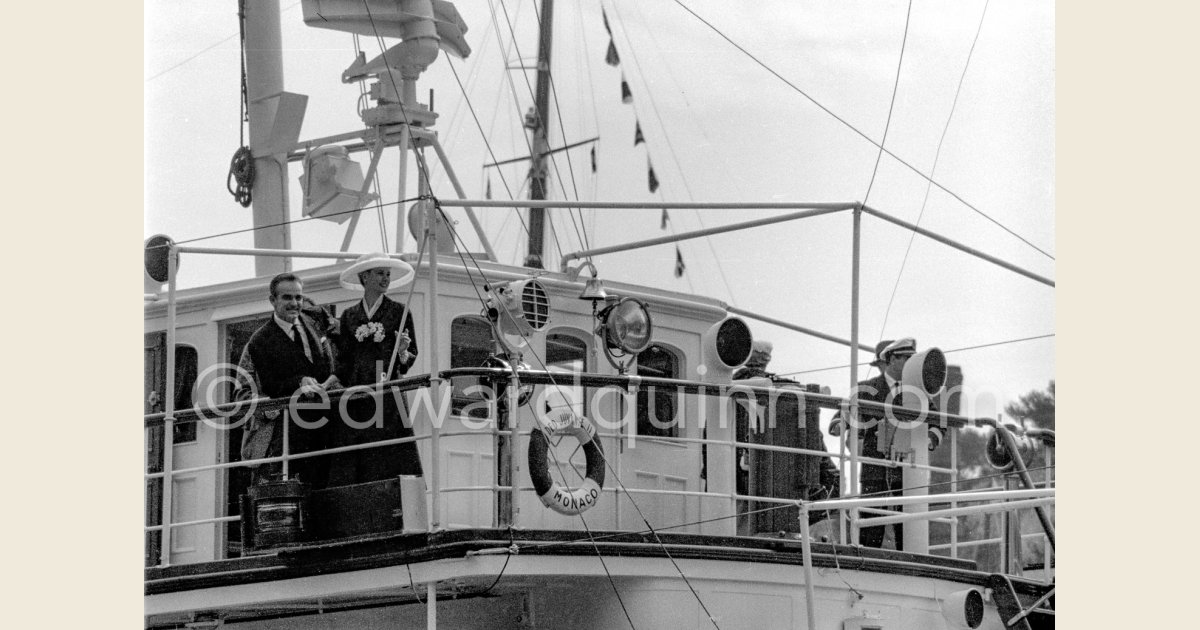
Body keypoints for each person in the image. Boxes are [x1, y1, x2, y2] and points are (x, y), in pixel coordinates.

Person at [829, 337, 944, 549]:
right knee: (870, 530)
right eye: (906, 358)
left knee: (907, 533)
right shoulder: (868, 388)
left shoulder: (919, 392)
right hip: (875, 471)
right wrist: (840, 426)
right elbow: (841, 415)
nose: (910, 364)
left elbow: (939, 423)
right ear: (891, 359)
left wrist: (927, 442)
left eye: (912, 359)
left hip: (907, 474)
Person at [236, 273, 340, 487]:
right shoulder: (258, 342)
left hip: (325, 429)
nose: (294, 303)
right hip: (284, 436)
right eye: (287, 298)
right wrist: (269, 405)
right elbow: (243, 391)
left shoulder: (314, 327)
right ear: (272, 300)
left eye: (298, 298)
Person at [330, 252, 424, 484]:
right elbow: (344, 358)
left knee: (390, 448)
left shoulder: (400, 312)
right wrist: (333, 379)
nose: (385, 279)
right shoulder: (350, 315)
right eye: (380, 274)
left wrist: (403, 350)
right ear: (365, 277)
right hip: (357, 390)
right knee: (358, 449)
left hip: (387, 385)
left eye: (388, 274)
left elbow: (410, 356)